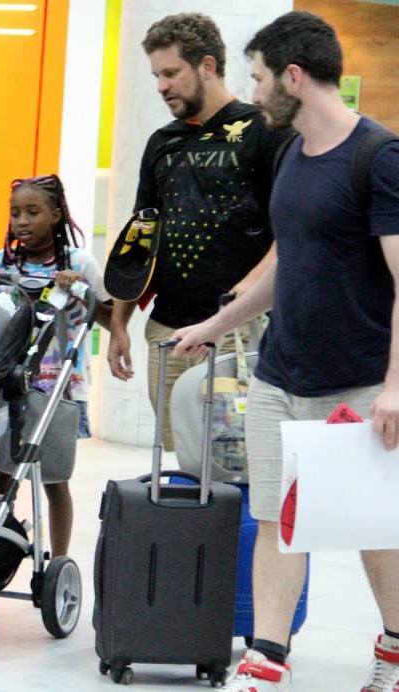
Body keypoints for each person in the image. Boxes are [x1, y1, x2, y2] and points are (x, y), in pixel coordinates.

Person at [173, 12, 399, 691]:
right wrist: (222, 322)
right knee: (275, 515)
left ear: (294, 77)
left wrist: (395, 386)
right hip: (280, 373)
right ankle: (266, 658)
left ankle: (395, 646)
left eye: (260, 77)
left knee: (373, 526)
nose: (255, 88)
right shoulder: (292, 155)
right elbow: (288, 264)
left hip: (359, 379)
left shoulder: (378, 157)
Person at [107, 12, 292, 451]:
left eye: (171, 73)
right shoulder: (161, 143)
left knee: (235, 458)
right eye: (155, 75)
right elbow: (140, 239)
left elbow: (292, 230)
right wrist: (118, 323)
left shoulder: (263, 131)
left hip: (239, 330)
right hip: (168, 331)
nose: (161, 86)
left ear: (207, 66)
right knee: (182, 458)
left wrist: (248, 293)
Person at [0, 174, 112, 562]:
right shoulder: (1, 261)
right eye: (15, 213)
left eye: (32, 212)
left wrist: (80, 288)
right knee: (2, 474)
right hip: (9, 382)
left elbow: (106, 314)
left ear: (55, 216)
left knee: (55, 479)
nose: (21, 221)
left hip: (57, 387)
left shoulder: (81, 262)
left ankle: (58, 563)